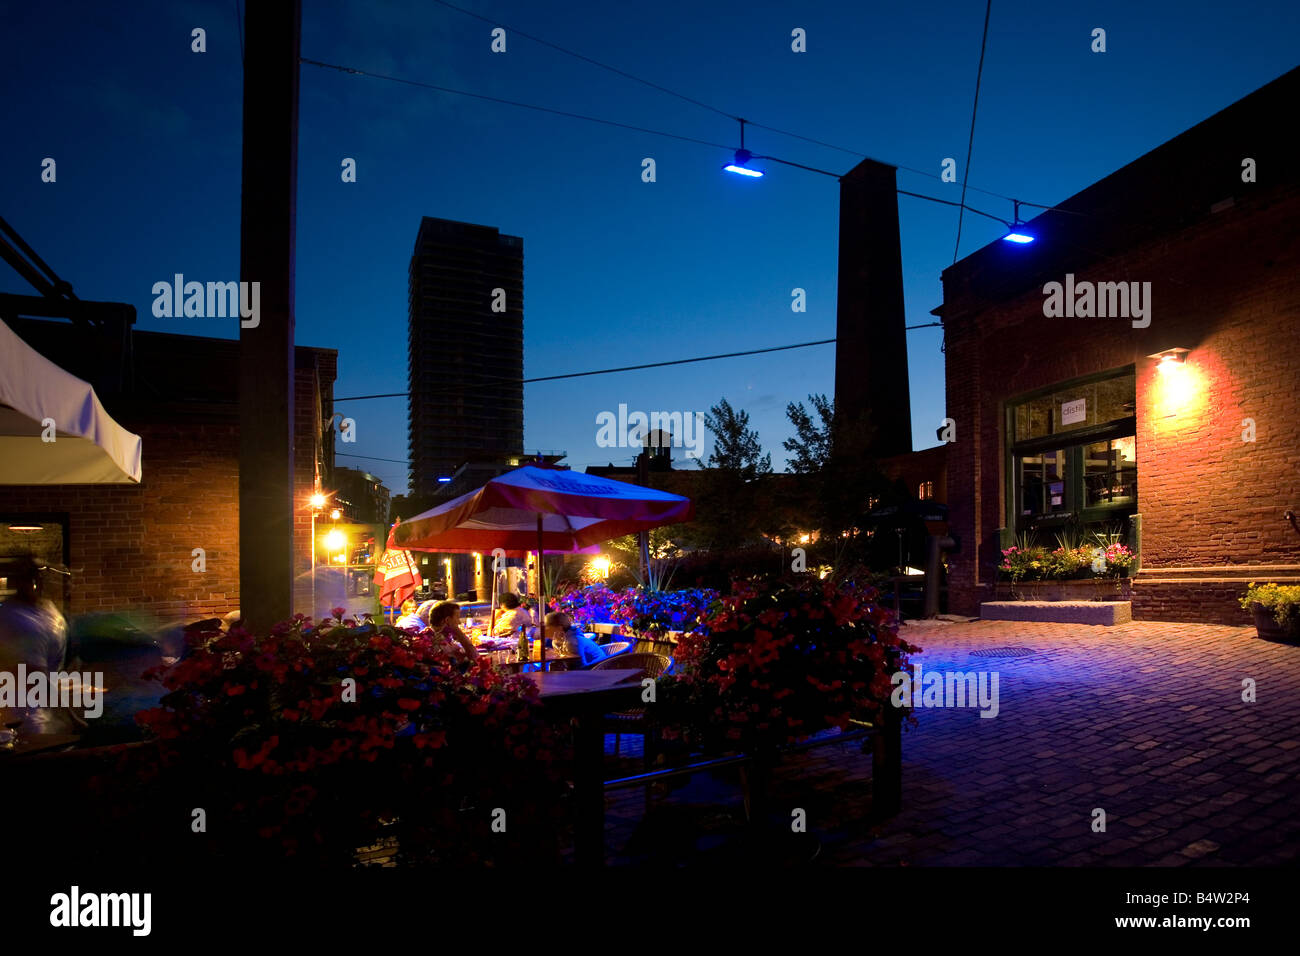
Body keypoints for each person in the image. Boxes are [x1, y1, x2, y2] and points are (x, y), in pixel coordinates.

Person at [0, 555, 69, 734]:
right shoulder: (16, 618)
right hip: (24, 714)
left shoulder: (48, 610)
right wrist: (68, 714)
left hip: (45, 711)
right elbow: (30, 674)